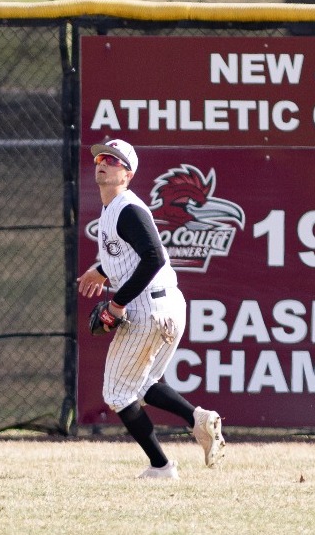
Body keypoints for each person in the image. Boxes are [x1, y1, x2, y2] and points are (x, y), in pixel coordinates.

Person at [76, 139, 226, 480]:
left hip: (149, 307)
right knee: (143, 384)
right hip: (169, 303)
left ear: (127, 174)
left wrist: (116, 303)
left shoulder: (126, 208)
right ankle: (198, 420)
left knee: (117, 392)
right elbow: (129, 254)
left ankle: (161, 467)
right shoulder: (115, 208)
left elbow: (155, 257)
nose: (104, 162)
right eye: (101, 157)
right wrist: (100, 271)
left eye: (113, 160)